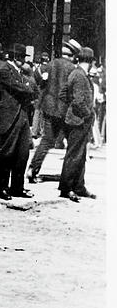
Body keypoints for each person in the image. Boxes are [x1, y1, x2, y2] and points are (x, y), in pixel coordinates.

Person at [26, 38, 82, 182]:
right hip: (64, 111)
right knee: (73, 142)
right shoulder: (73, 70)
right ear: (74, 55)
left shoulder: (50, 64)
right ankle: (71, 177)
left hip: (48, 108)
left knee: (46, 140)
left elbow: (36, 76)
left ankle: (33, 168)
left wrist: (44, 88)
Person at [0, 42, 34, 201]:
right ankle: (0, 187)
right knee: (7, 152)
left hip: (21, 115)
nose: (23, 60)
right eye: (21, 57)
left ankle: (17, 187)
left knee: (22, 153)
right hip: (9, 115)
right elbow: (20, 88)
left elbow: (31, 88)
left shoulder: (20, 71)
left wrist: (29, 87)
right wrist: (28, 89)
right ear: (14, 57)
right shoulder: (5, 69)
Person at [59, 47, 97, 202]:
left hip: (77, 120)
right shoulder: (80, 76)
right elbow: (78, 101)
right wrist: (88, 114)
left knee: (80, 155)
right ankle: (66, 188)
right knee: (74, 155)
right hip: (79, 121)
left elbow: (63, 94)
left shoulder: (77, 73)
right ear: (89, 61)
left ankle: (79, 186)